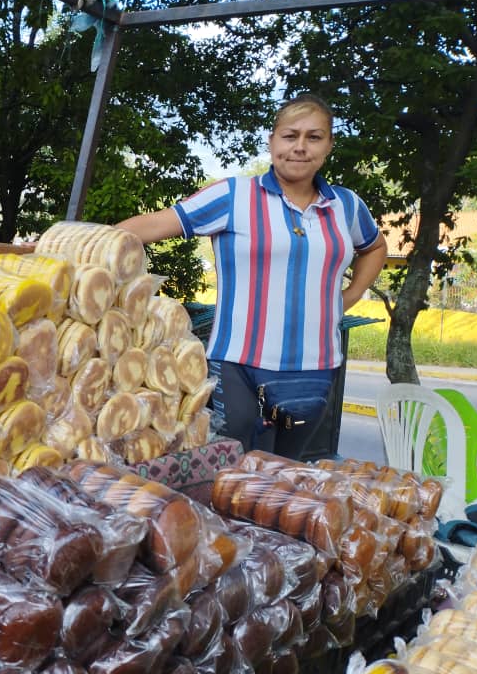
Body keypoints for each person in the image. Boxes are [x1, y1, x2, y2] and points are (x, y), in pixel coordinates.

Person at [117, 93, 387, 459]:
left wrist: (352, 294)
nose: (300, 147)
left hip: (314, 369)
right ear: (272, 141)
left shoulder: (347, 206)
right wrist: (81, 240)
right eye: (290, 136)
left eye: (314, 137)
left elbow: (373, 247)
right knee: (233, 470)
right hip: (237, 365)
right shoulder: (233, 196)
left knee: (284, 477)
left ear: (329, 145)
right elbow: (155, 223)